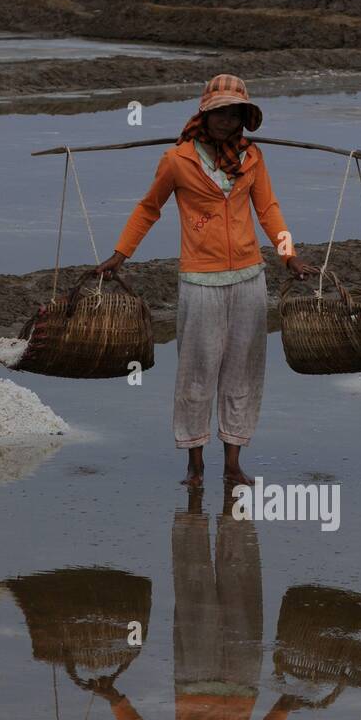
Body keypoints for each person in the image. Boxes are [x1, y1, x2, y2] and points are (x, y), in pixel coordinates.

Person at [97, 74, 315, 486]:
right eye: (218, 112)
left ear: (241, 119)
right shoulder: (178, 160)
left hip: (250, 279)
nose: (224, 120)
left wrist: (289, 256)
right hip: (200, 281)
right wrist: (119, 255)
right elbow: (149, 209)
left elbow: (268, 210)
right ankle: (195, 464)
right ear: (205, 114)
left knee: (243, 372)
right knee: (197, 373)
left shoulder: (252, 159)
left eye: (232, 113)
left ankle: (233, 465)